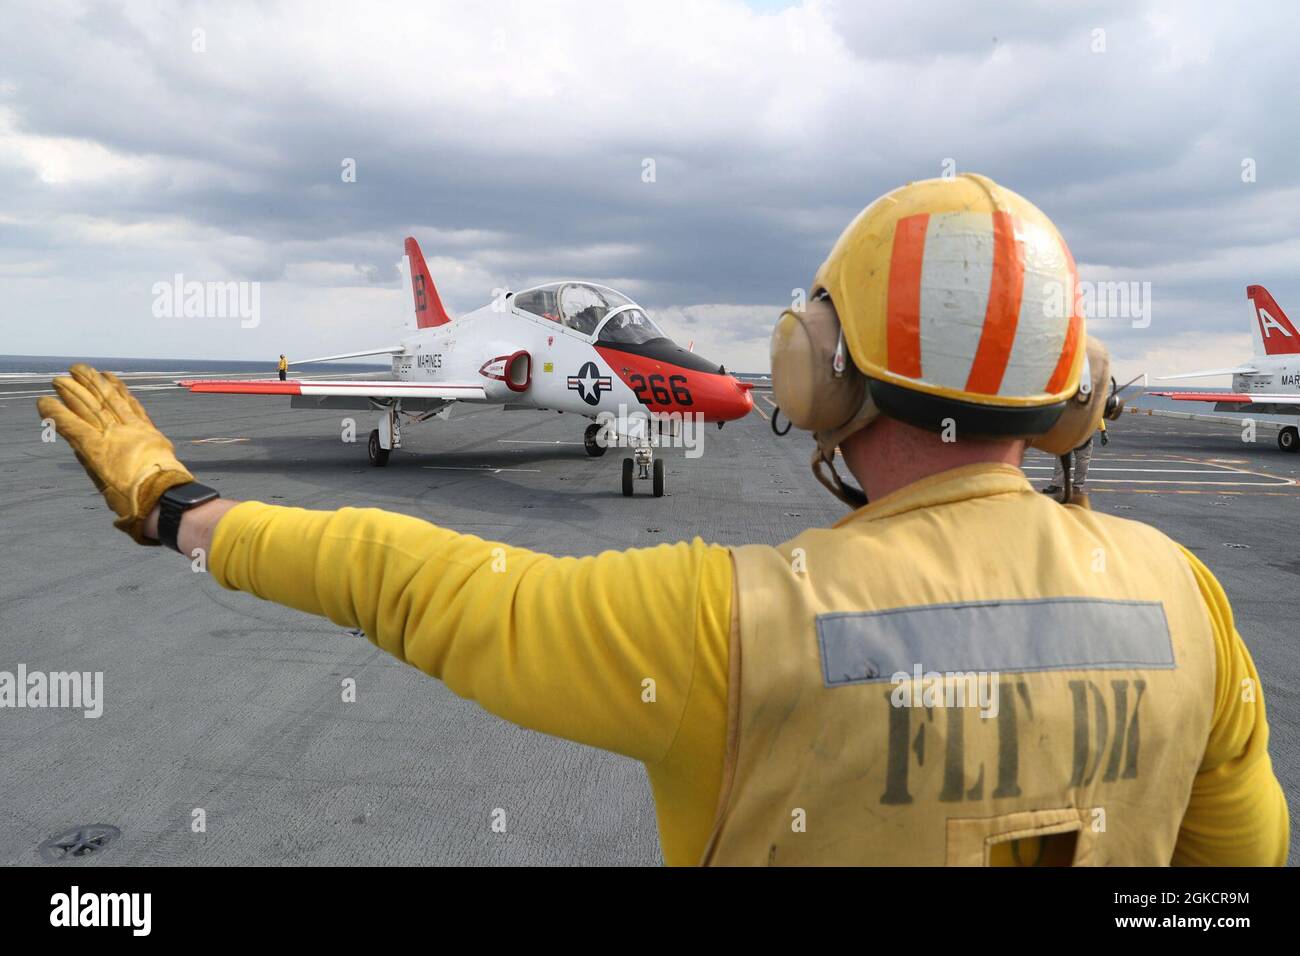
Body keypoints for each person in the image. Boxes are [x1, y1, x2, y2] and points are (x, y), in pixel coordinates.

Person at [36, 174, 1288, 866]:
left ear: (814, 372)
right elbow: (1236, 865)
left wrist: (179, 504)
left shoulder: (726, 620)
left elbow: (422, 583)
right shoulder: (1190, 602)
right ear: (1072, 396)